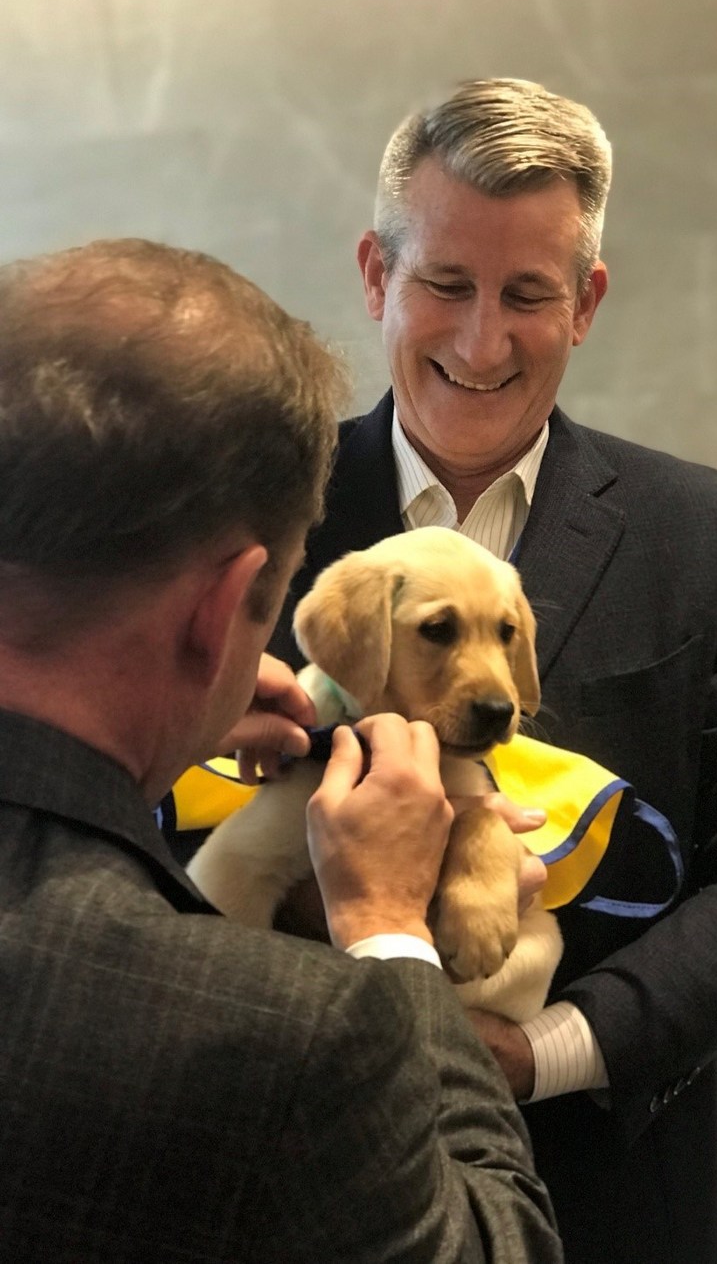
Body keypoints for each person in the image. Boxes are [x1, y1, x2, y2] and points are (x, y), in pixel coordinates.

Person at [267, 78, 717, 1263]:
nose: (482, 341)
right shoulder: (260, 513)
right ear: (378, 277)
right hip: (292, 1175)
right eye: (444, 283)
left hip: (615, 1185)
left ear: (584, 302)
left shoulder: (704, 535)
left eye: (526, 294)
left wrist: (544, 1051)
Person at [0, 238, 563, 1262]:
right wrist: (391, 930)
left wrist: (169, 724)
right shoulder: (286, 1034)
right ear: (225, 612)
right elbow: (491, 1241)